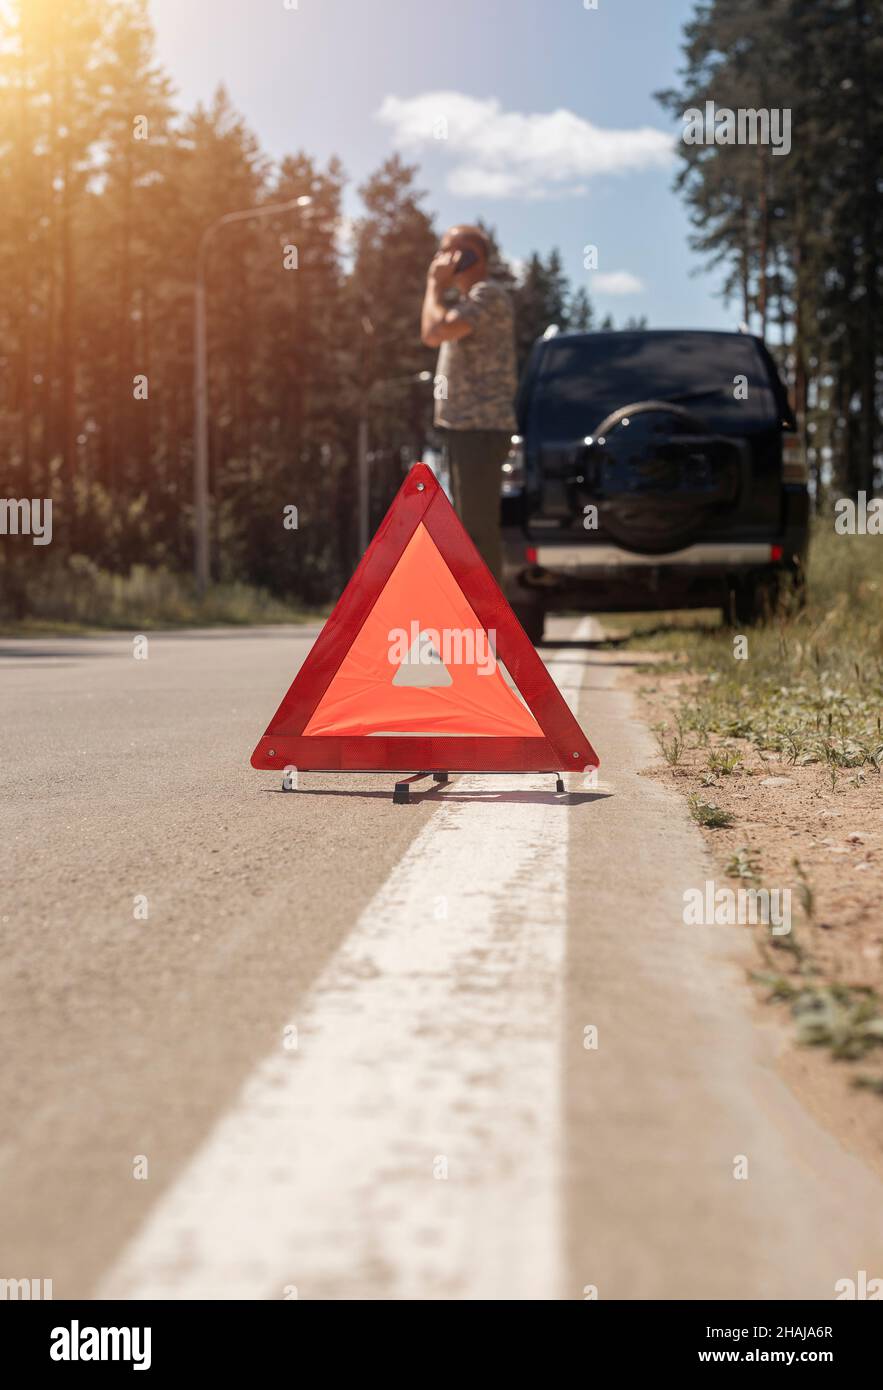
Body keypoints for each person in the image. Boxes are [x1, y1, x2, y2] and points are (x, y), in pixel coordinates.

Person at [420, 225, 517, 583]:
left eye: (447, 251)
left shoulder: (488, 295)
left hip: (480, 429)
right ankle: (477, 621)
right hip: (465, 431)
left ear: (469, 256)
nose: (439, 260)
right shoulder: (468, 301)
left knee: (476, 531)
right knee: (467, 530)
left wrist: (434, 286)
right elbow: (432, 329)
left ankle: (486, 624)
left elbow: (433, 332)